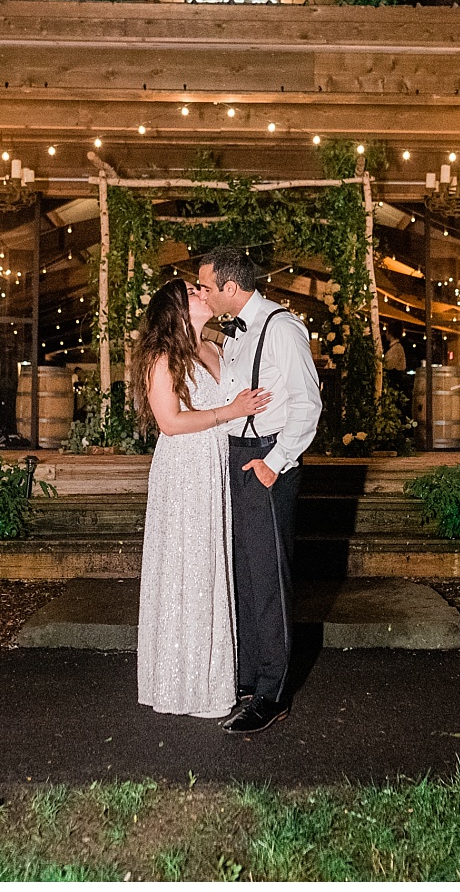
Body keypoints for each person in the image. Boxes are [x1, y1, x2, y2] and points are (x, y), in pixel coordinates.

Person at [196, 247, 323, 734]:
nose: (204, 294)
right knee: (244, 575)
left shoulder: (282, 328)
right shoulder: (234, 332)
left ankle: (273, 692)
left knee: (268, 577)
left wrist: (273, 464)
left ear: (230, 287)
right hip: (236, 454)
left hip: (267, 457)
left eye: (207, 286)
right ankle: (249, 679)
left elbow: (307, 405)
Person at [130, 278, 270, 718]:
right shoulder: (162, 356)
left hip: (215, 464)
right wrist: (231, 411)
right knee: (185, 566)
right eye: (193, 292)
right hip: (183, 469)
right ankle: (177, 681)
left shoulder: (210, 349)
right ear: (175, 307)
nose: (202, 294)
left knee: (212, 566)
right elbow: (170, 422)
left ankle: (211, 678)